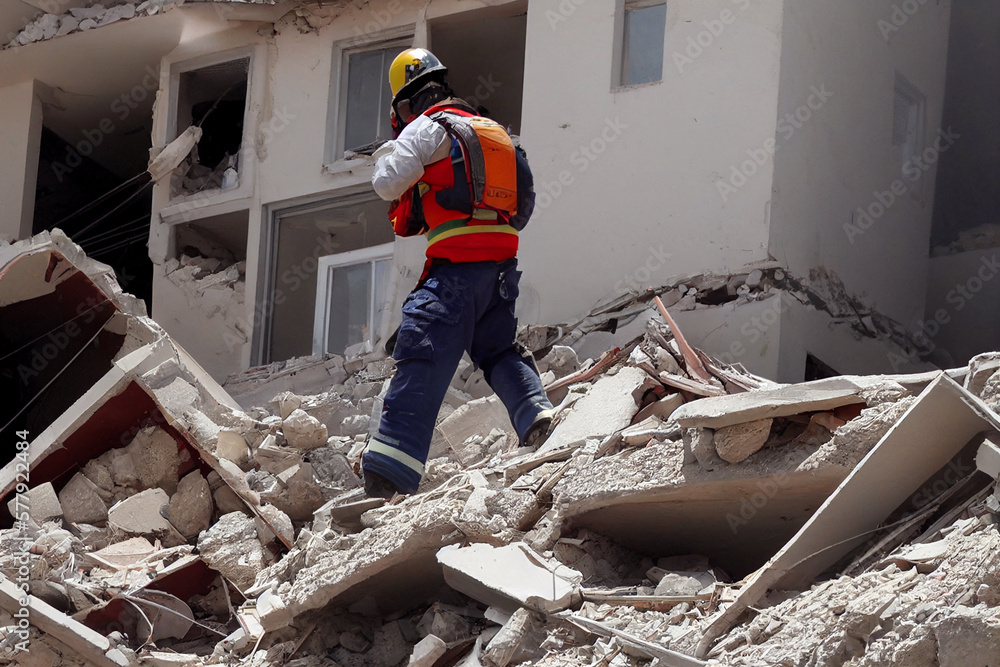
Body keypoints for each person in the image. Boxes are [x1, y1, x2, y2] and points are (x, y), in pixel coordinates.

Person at [361, 47, 554, 499]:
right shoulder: (496, 130)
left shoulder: (427, 127)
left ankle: (389, 475)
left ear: (405, 103)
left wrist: (388, 149)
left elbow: (387, 183)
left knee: (422, 350)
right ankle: (536, 416)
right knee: (498, 350)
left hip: (454, 271)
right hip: (501, 270)